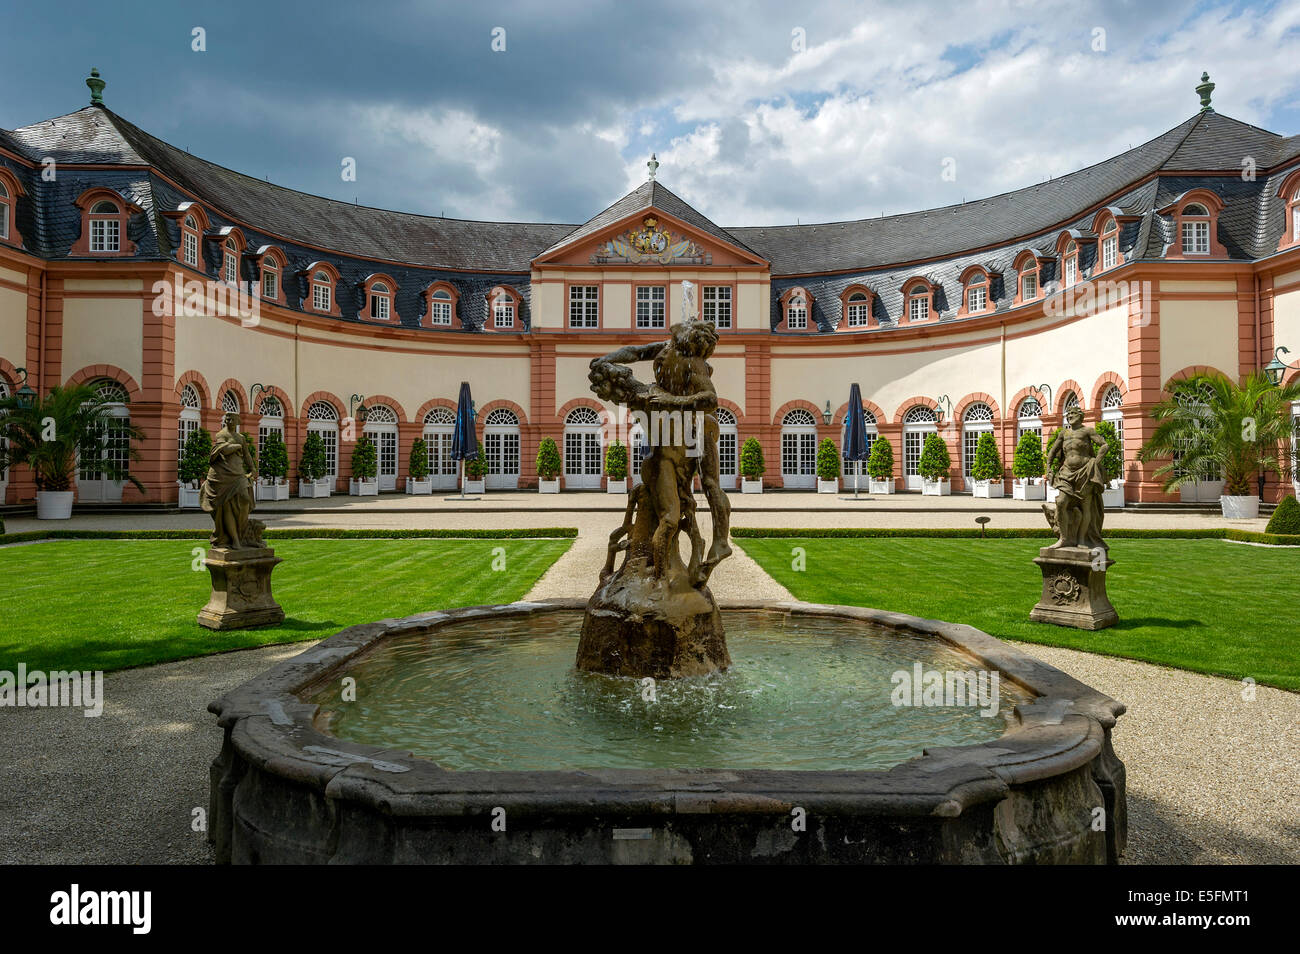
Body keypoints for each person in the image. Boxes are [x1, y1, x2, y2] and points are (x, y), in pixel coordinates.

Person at [1043, 406, 1109, 551]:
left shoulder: (1087, 431)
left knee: (1086, 506)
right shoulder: (1063, 433)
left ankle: (1081, 540)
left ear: (1081, 416)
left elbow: (1104, 445)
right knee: (1061, 502)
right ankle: (1064, 539)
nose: (1070, 416)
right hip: (1066, 472)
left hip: (1085, 472)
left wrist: (1095, 463)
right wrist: (1048, 468)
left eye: (1073, 413)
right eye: (1068, 414)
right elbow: (1052, 452)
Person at [201, 412, 259, 548]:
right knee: (226, 507)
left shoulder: (241, 437)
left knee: (245, 499)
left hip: (238, 473)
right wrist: (236, 446)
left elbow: (247, 454)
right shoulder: (221, 434)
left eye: (232, 418)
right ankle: (235, 539)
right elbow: (224, 450)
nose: (229, 420)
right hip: (223, 475)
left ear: (238, 421)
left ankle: (241, 532)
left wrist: (252, 468)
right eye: (227, 418)